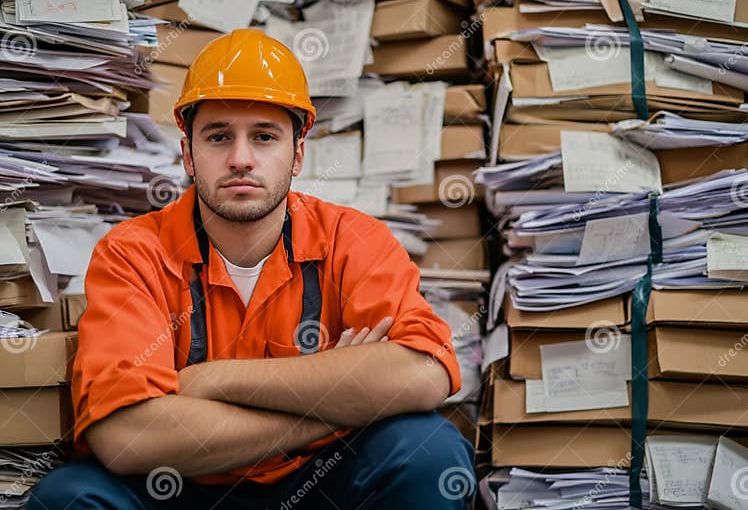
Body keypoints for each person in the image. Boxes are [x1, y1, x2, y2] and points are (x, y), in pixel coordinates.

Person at [28, 29, 475, 509]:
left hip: (320, 481)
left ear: (298, 154)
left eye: (264, 136)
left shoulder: (353, 239)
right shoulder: (132, 253)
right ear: (188, 155)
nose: (241, 159)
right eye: (218, 136)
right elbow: (126, 436)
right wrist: (338, 407)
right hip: (181, 487)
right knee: (67, 498)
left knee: (430, 451)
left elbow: (423, 373)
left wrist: (214, 379)